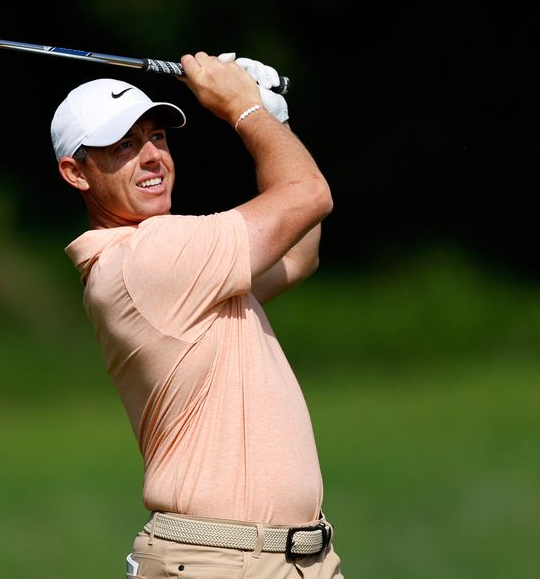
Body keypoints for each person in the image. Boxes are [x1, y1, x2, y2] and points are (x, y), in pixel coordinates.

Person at [51, 51, 341, 579]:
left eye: (157, 138)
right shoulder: (148, 258)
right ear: (76, 173)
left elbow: (299, 254)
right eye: (123, 146)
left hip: (295, 560)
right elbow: (309, 195)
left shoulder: (182, 265)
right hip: (222, 562)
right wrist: (246, 111)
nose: (152, 157)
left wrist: (273, 115)